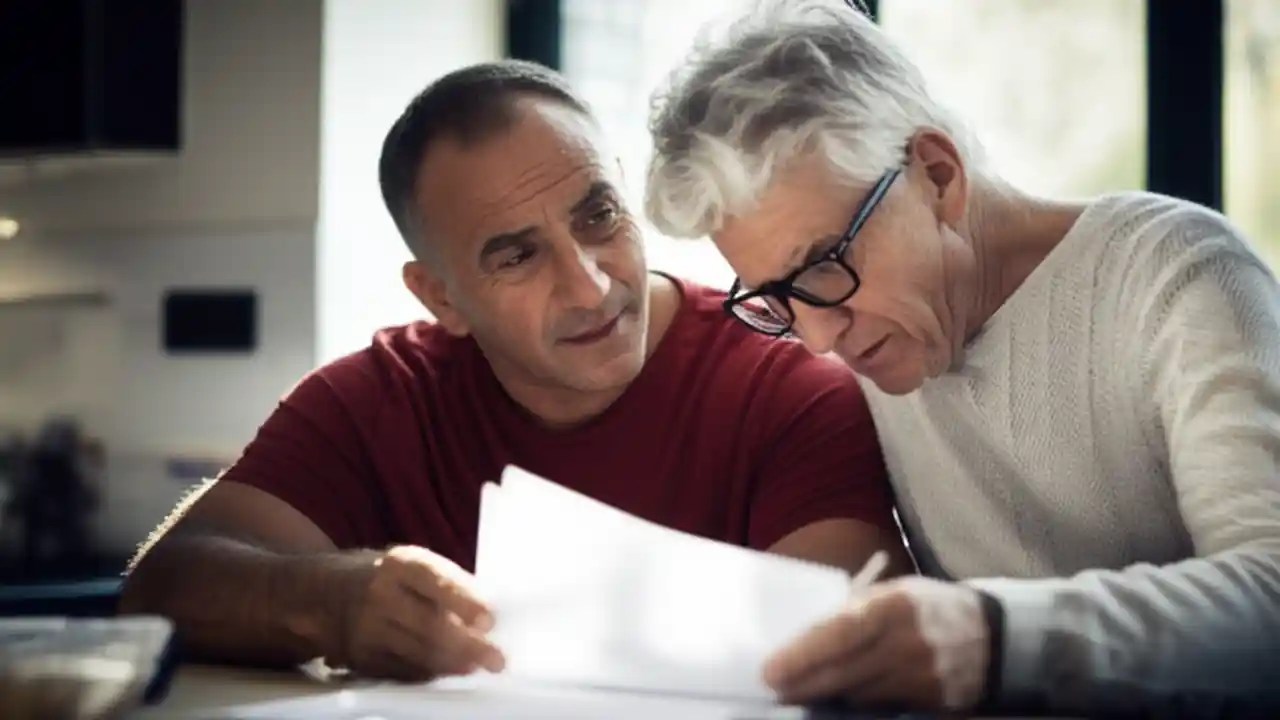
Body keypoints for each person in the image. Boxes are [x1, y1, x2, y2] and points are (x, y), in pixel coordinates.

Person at [119, 60, 911, 683]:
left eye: (598, 215)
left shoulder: (788, 382)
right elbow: (162, 587)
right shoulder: (381, 397)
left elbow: (854, 645)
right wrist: (331, 601)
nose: (590, 283)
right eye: (517, 255)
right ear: (441, 298)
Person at [645, 1, 1280, 715]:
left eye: (825, 264)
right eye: (779, 299)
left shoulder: (1176, 274)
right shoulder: (879, 336)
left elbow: (1271, 590)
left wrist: (995, 637)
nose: (821, 341)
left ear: (937, 174)